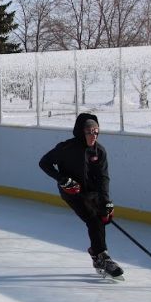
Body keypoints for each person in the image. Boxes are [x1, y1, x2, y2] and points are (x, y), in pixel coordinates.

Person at [38, 113, 121, 280]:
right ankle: (101, 256)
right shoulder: (65, 148)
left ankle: (98, 254)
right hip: (72, 192)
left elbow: (103, 178)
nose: (93, 136)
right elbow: (44, 163)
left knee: (102, 218)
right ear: (80, 132)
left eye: (96, 132)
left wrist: (106, 202)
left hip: (92, 192)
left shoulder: (99, 151)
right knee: (93, 219)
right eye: (89, 132)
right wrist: (61, 179)